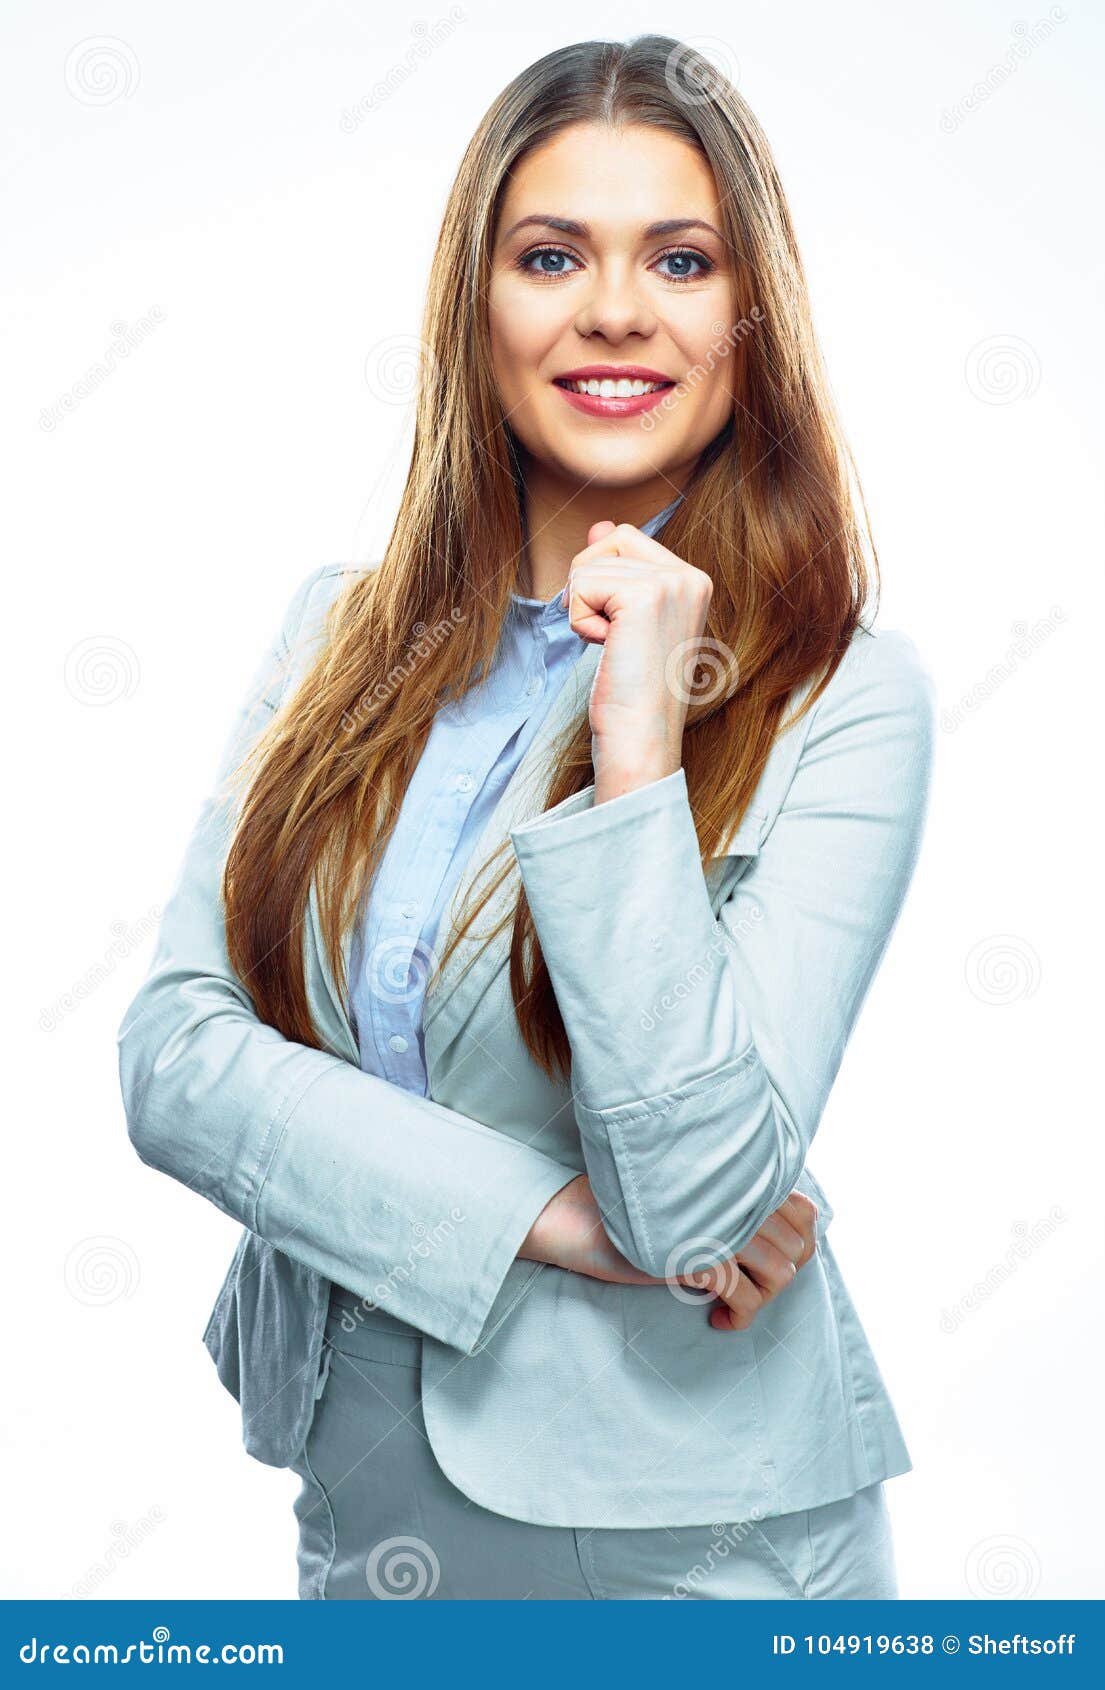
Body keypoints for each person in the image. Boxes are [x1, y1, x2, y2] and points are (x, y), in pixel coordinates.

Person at [117, 35, 936, 1600]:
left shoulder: (843, 697)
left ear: (744, 317)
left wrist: (638, 757)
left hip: (691, 1548)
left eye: (679, 259)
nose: (613, 309)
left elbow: (695, 1201)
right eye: (551, 253)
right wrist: (543, 1216)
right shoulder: (330, 636)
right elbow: (175, 1057)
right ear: (475, 309)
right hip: (362, 1506)